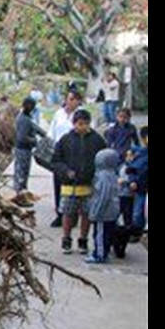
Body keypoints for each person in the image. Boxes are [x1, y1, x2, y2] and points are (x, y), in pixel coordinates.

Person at [50, 108, 107, 254]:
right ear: (74, 123)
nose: (82, 127)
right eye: (79, 124)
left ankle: (83, 240)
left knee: (87, 214)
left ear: (89, 124)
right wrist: (66, 171)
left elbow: (104, 160)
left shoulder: (97, 140)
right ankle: (66, 239)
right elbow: (55, 161)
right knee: (67, 213)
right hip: (69, 185)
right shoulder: (65, 140)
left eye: (85, 124)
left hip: (90, 185)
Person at [47, 88, 83, 227]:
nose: (69, 102)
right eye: (68, 99)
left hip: (74, 153)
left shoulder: (80, 115)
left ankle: (72, 215)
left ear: (78, 100)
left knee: (71, 184)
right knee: (58, 184)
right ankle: (60, 214)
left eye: (72, 99)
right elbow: (52, 131)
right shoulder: (59, 113)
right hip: (58, 152)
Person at [86, 148, 120, 264]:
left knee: (100, 234)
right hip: (111, 210)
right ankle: (104, 252)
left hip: (103, 212)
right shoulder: (113, 174)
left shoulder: (103, 176)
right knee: (107, 233)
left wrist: (96, 211)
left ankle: (99, 255)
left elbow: (103, 195)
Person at [13, 96, 46, 193]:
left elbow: (35, 127)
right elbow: (22, 138)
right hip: (23, 150)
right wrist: (35, 141)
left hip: (23, 150)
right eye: (32, 106)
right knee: (22, 175)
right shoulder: (24, 119)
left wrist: (43, 134)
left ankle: (21, 193)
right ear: (28, 105)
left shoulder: (25, 117)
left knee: (21, 173)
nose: (33, 108)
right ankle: (21, 195)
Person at [125, 126, 148, 240]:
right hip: (141, 187)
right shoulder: (140, 153)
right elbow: (132, 169)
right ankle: (136, 232)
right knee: (138, 213)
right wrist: (132, 181)